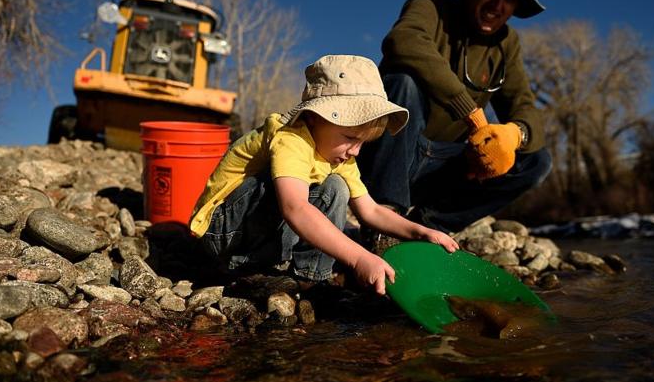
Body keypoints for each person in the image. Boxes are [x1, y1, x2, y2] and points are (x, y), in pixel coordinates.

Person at [189, 55, 459, 295]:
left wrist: (421, 232)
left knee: (335, 186)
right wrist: (358, 258)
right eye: (350, 137)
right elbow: (295, 208)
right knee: (300, 188)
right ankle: (243, 266)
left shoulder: (338, 155)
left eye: (362, 143)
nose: (355, 150)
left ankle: (309, 280)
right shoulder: (291, 138)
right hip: (223, 233)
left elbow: (371, 212)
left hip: (257, 234)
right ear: (315, 118)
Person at [358, 0, 553, 234]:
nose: (498, 5)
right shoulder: (429, 5)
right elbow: (403, 40)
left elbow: (524, 105)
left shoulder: (507, 44)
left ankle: (426, 225)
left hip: (445, 165)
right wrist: (470, 111)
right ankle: (384, 218)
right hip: (388, 153)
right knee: (403, 82)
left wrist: (514, 134)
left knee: (537, 161)